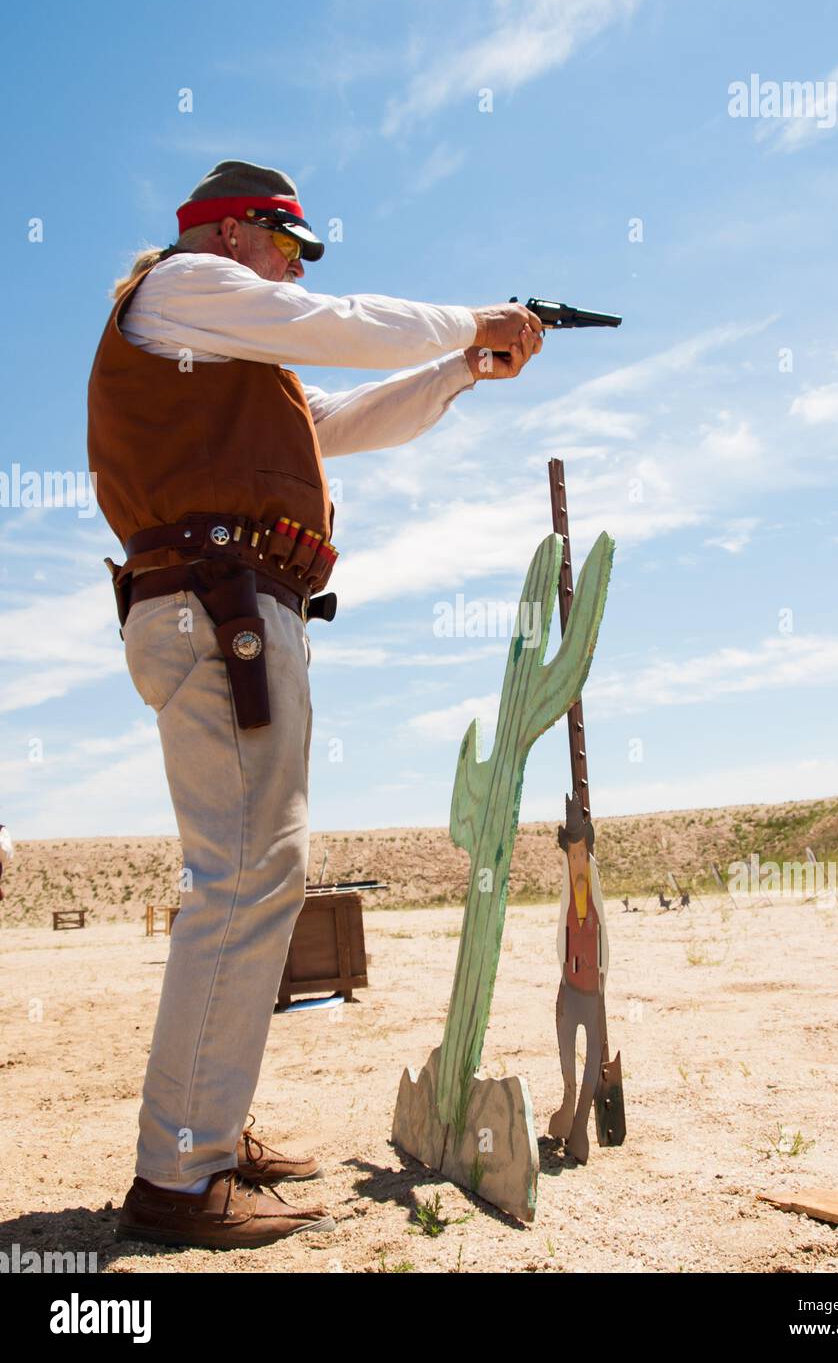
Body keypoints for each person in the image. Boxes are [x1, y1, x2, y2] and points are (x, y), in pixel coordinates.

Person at [87, 159, 543, 1250]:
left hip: (229, 603)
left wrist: (461, 367)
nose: (292, 266)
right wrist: (470, 317)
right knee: (242, 880)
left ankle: (211, 1134)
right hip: (218, 605)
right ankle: (182, 1175)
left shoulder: (231, 349)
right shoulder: (181, 286)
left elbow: (338, 418)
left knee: (252, 879)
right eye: (287, 244)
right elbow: (332, 322)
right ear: (236, 231)